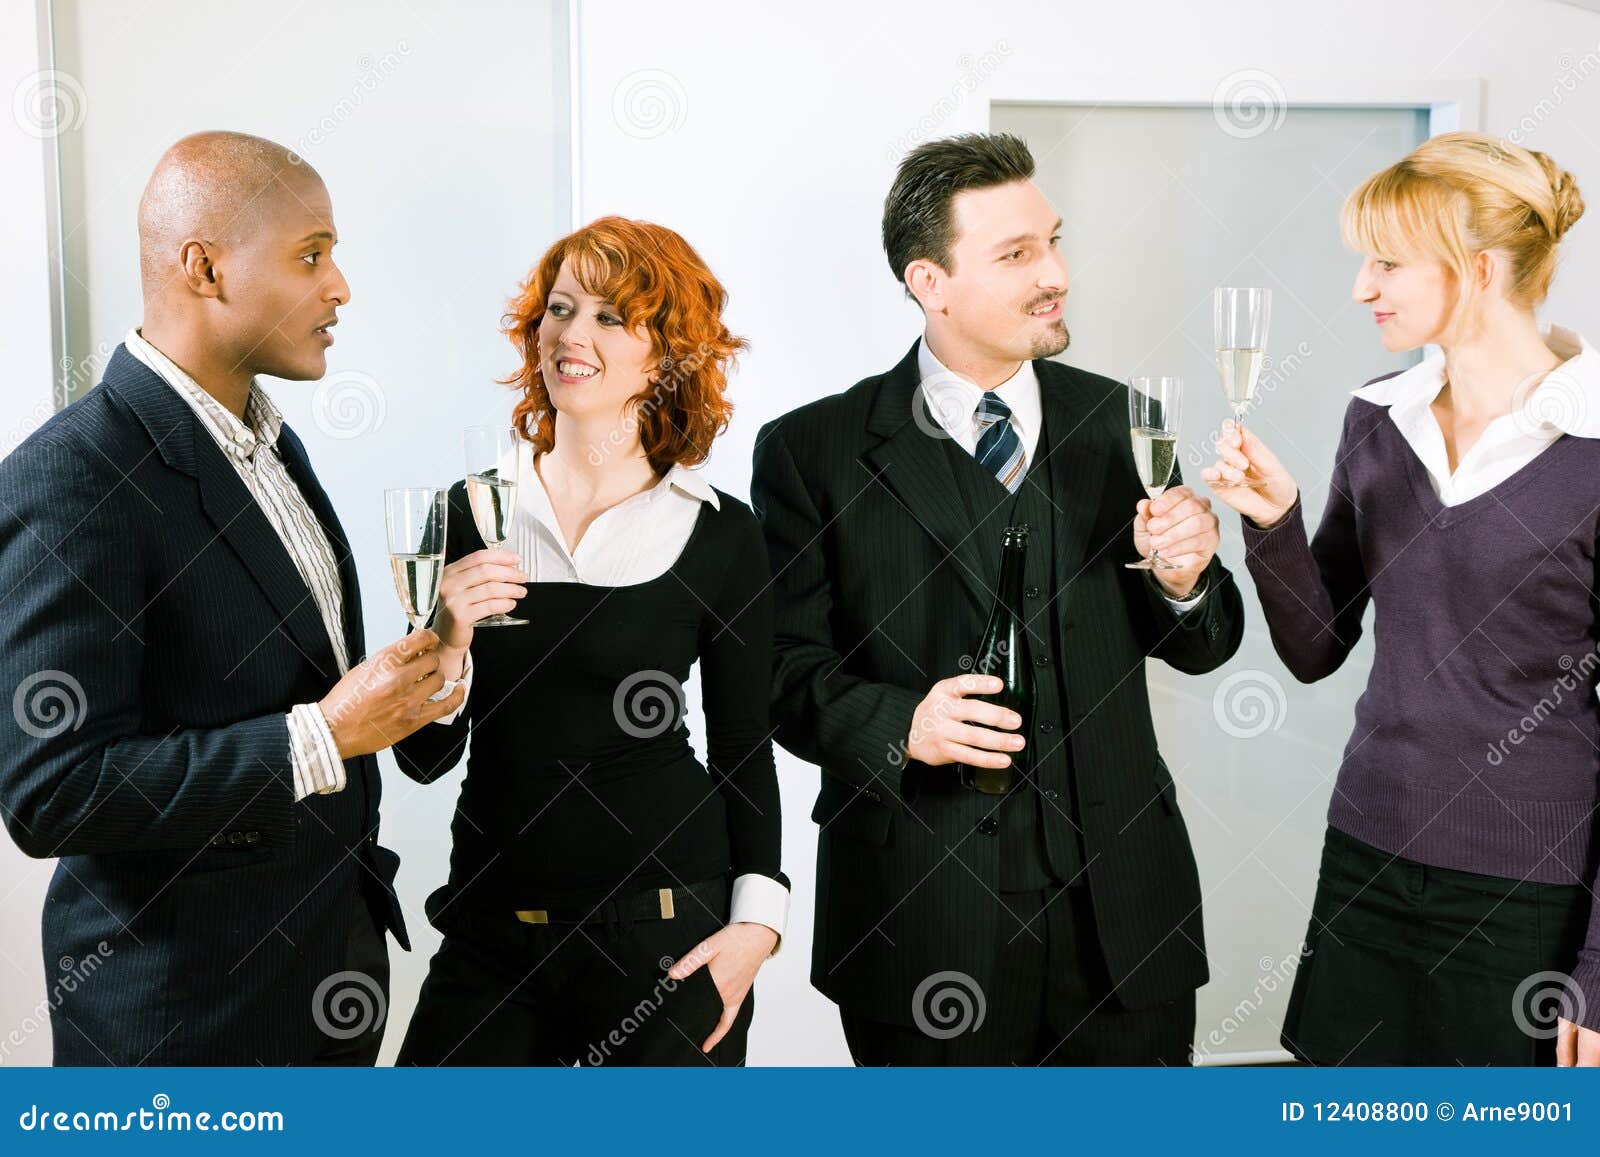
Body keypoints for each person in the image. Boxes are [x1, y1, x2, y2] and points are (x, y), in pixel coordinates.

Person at [751, 133, 1245, 1065]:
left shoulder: (1123, 419)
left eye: (1052, 242)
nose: (1056, 274)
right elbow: (777, 675)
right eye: (1017, 254)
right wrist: (905, 723)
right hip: (919, 920)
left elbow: (1204, 643)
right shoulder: (812, 450)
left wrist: (1185, 582)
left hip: (1124, 918)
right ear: (929, 281)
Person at [0, 131, 462, 1065]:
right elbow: (51, 792)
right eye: (311, 256)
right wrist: (324, 734)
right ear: (204, 268)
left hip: (325, 990)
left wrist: (435, 664)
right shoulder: (71, 475)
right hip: (182, 1034)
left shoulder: (273, 445)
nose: (341, 287)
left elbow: (309, 689)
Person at [1205, 131, 1600, 1066]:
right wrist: (1273, 522)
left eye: (1386, 262)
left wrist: (1599, 966)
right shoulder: (1380, 416)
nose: (1361, 287)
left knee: (1499, 1128)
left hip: (1529, 889)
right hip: (1368, 853)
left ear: (1479, 269)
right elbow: (1315, 648)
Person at [392, 216, 786, 1066]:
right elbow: (421, 759)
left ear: (667, 351)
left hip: (669, 937)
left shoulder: (720, 532)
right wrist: (448, 643)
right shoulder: (469, 512)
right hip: (491, 935)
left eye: (611, 316)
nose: (572, 334)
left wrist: (759, 925)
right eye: (560, 308)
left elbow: (744, 746)